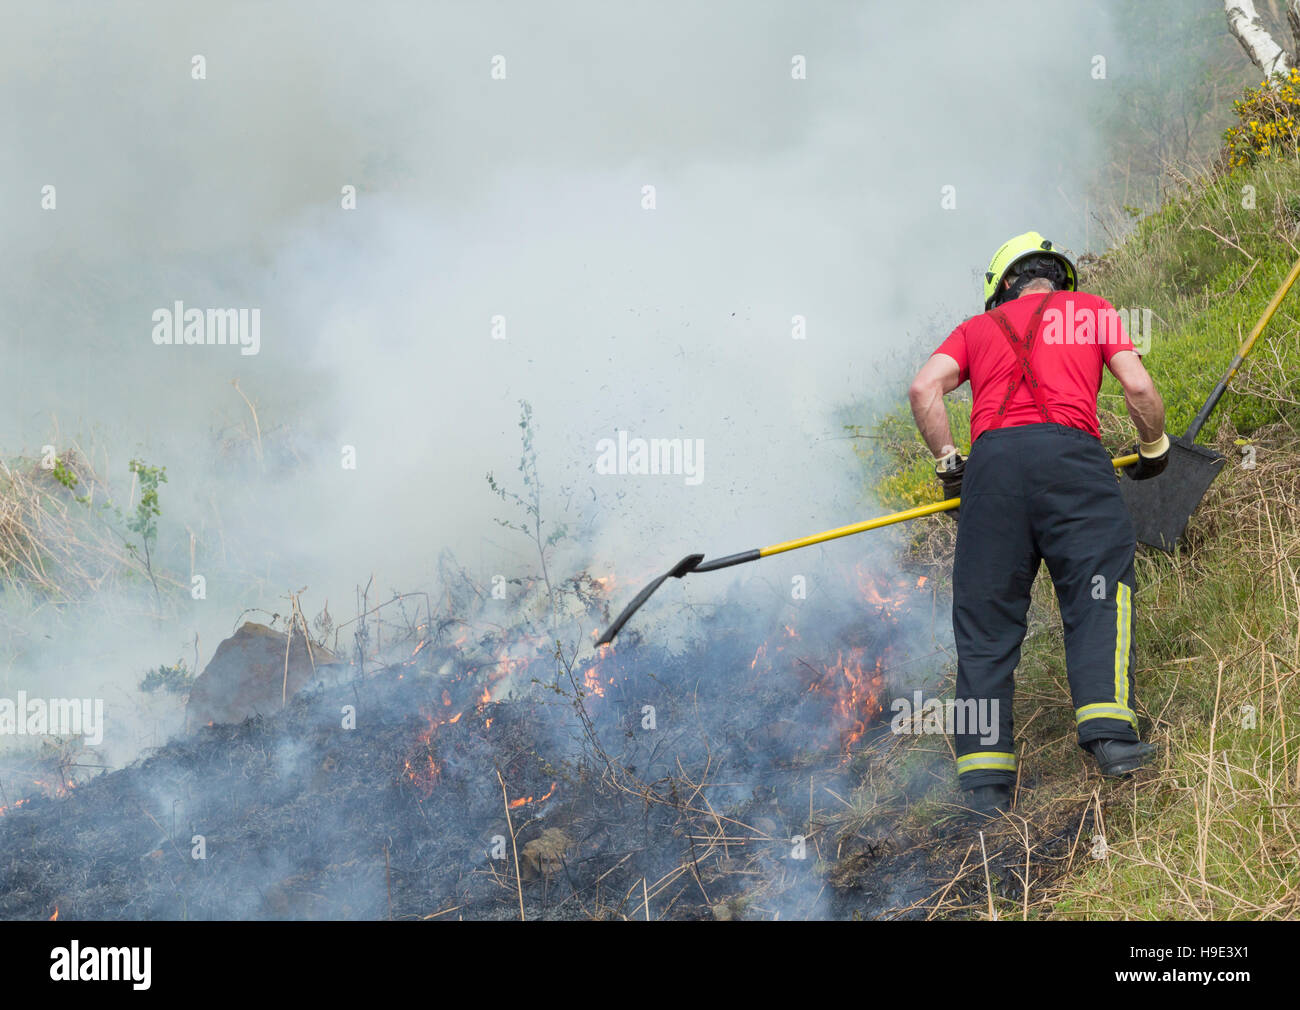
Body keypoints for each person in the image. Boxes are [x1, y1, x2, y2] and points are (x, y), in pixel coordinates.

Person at [907, 231, 1169, 815]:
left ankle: (984, 786)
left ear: (1000, 288)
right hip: (1074, 463)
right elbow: (1138, 386)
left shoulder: (976, 330)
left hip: (992, 474)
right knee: (1096, 594)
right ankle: (1112, 741)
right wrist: (1154, 448)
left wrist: (952, 466)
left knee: (984, 625)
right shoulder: (1090, 311)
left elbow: (924, 389)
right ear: (1059, 278)